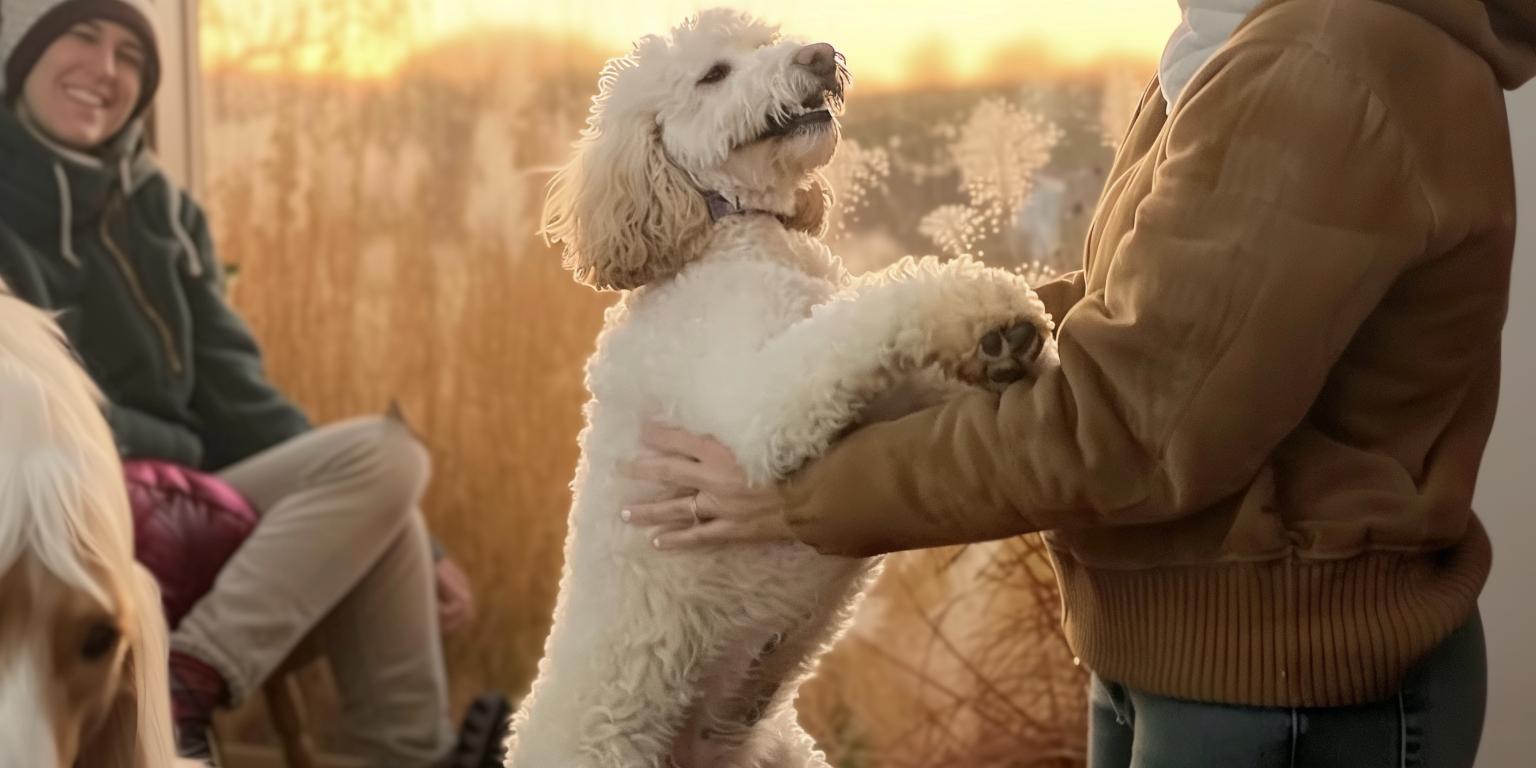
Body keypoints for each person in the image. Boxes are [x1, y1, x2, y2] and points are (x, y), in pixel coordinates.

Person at [621, 0, 1535, 765]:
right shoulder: (1237, 39)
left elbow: (1132, 422)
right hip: (1197, 657)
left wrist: (801, 495)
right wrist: (880, 348)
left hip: (1281, 684)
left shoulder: (1325, 61)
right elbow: (1131, 314)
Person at [0, 1, 475, 764]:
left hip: (194, 496)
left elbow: (241, 398)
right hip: (65, 517)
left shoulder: (163, 210)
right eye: (82, 36)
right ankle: (190, 681)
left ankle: (390, 749)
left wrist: (413, 523)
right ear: (21, 55)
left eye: (131, 56)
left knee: (392, 482)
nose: (107, 70)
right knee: (389, 478)